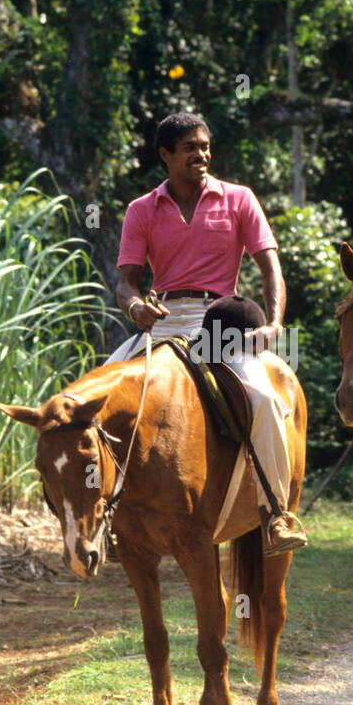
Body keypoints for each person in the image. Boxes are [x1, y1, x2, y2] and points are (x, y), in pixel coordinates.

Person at [104, 112, 306, 555]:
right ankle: (108, 519)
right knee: (99, 396)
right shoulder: (142, 209)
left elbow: (269, 267)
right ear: (165, 155)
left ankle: (276, 514)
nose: (203, 154)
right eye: (191, 148)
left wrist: (274, 323)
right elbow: (126, 282)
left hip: (221, 321)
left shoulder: (239, 199)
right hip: (162, 321)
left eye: (205, 146)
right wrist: (135, 306)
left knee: (264, 398)